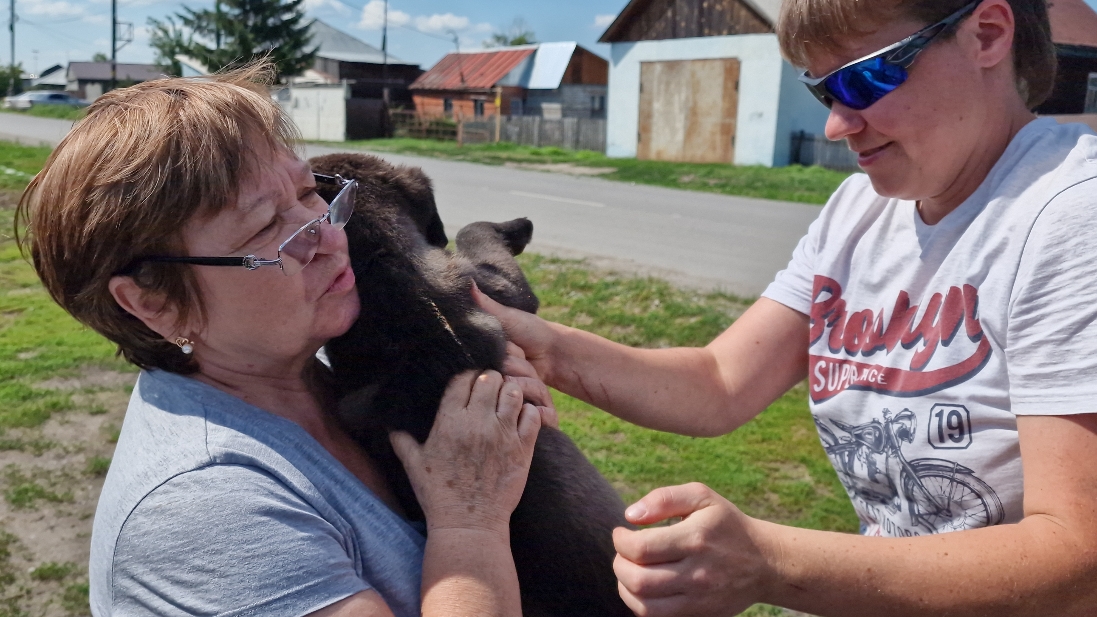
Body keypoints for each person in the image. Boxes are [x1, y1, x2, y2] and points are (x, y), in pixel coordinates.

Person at [479, 0, 1097, 614]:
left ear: (986, 35)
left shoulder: (1070, 218)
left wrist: (772, 564)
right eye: (824, 91)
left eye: (864, 77)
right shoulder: (860, 210)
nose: (837, 124)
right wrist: (534, 342)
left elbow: (1076, 553)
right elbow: (719, 382)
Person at [17, 64, 555, 617]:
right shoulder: (203, 510)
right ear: (155, 303)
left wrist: (498, 403)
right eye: (265, 229)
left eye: (308, 193)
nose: (326, 233)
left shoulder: (311, 361)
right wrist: (470, 520)